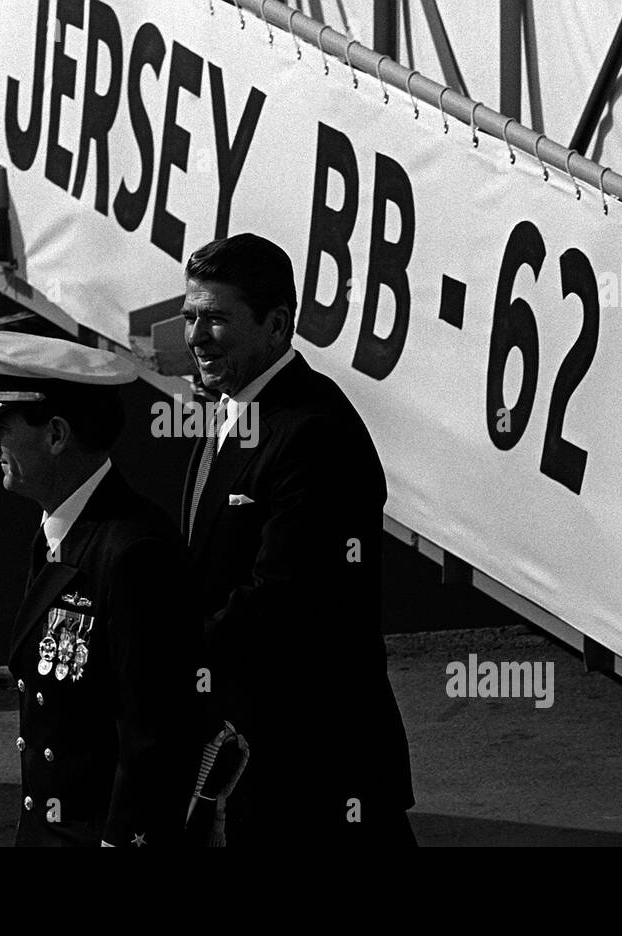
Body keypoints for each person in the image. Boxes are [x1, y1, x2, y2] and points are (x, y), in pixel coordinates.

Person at [179, 233, 416, 845]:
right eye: (190, 317)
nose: (196, 337)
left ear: (278, 324)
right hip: (258, 763)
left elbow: (281, 601)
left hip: (320, 773)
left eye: (216, 319)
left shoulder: (315, 434)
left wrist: (160, 654)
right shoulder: (235, 406)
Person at [0, 330, 200, 847]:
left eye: (0, 425)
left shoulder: (135, 553)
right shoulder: (60, 533)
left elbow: (155, 736)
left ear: (55, 434)